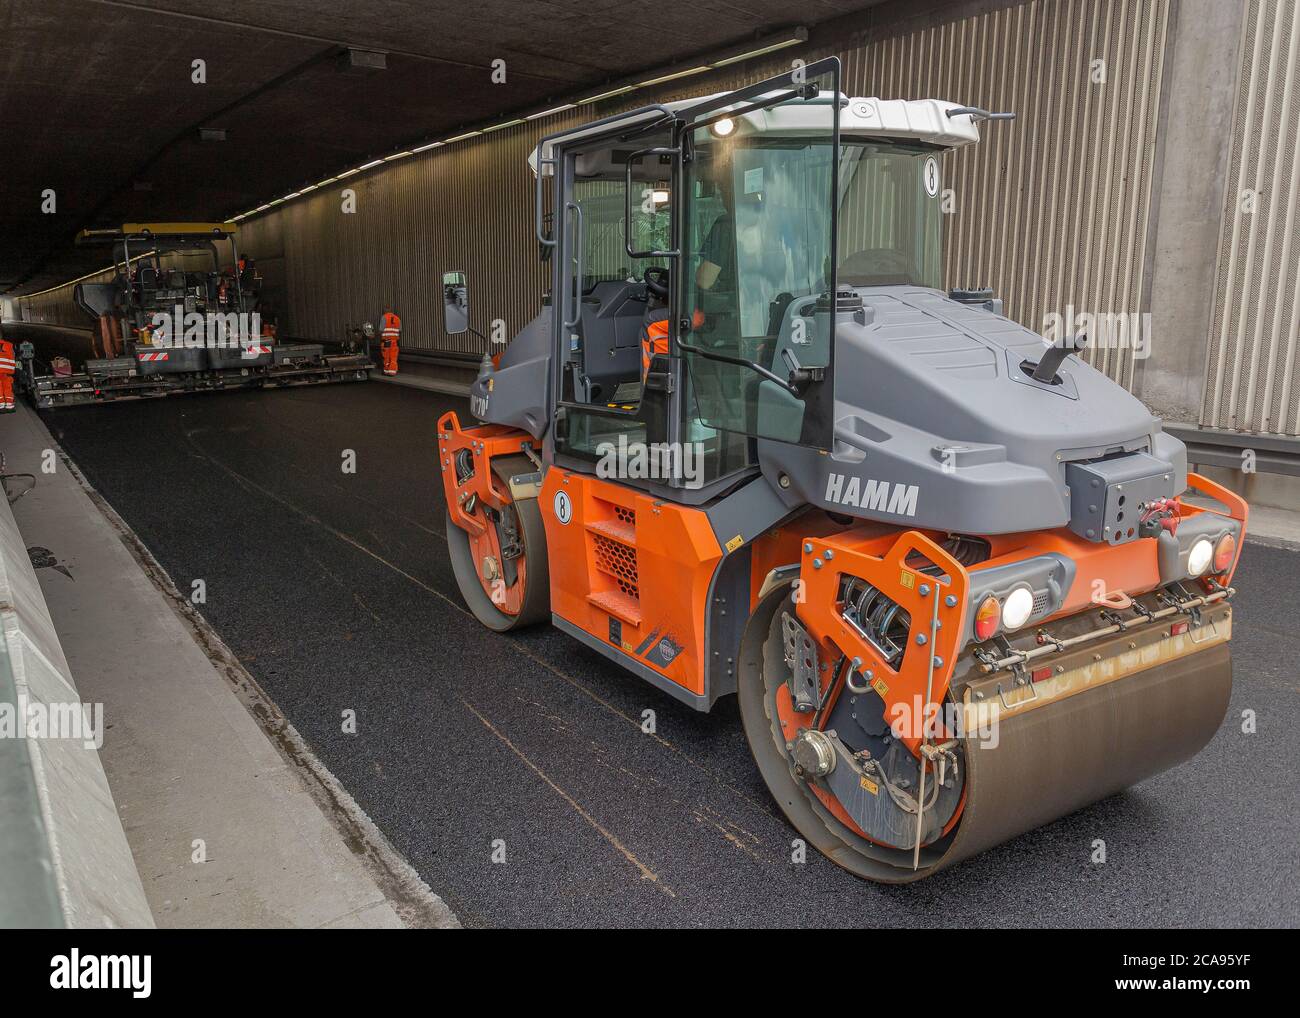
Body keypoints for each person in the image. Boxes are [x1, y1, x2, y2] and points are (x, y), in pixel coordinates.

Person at [379, 306, 401, 376]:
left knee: (386, 356)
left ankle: (386, 371)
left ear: (385, 310)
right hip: (395, 341)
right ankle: (392, 372)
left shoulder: (384, 317)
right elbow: (400, 330)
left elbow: (381, 329)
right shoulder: (397, 318)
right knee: (394, 357)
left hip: (386, 341)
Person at [0, 328, 16, 412]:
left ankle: (1, 404)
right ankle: (9, 404)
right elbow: (13, 356)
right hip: (7, 371)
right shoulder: (9, 345)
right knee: (7, 387)